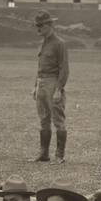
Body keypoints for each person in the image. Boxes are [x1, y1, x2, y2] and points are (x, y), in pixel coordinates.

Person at [32, 11, 69, 164]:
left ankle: (59, 156)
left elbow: (64, 69)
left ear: (49, 25)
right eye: (36, 25)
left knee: (58, 120)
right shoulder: (43, 43)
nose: (37, 29)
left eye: (40, 25)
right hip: (41, 84)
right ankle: (44, 154)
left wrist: (59, 89)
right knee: (43, 120)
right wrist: (35, 86)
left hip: (53, 84)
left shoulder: (60, 44)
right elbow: (40, 67)